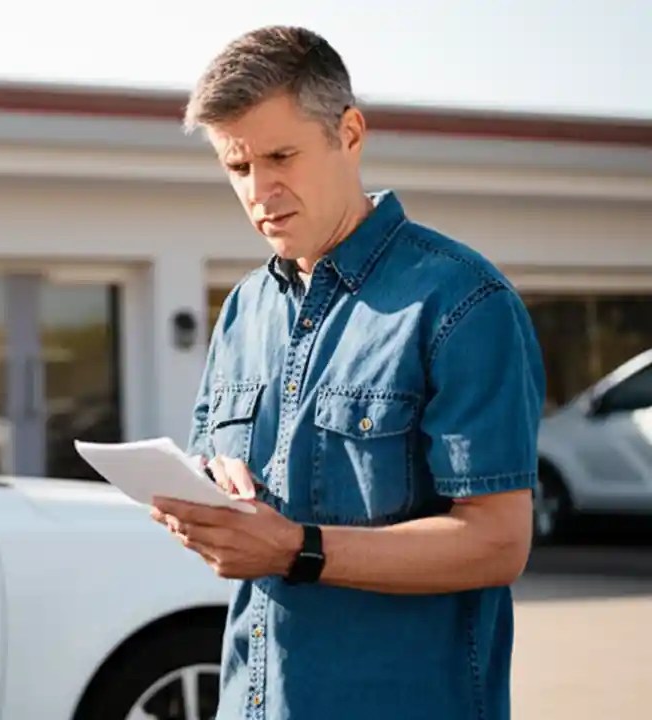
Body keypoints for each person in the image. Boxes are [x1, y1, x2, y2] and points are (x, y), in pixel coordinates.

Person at [149, 25, 545, 720]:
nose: (260, 190)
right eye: (239, 168)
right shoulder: (243, 309)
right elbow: (216, 468)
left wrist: (294, 548)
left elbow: (498, 543)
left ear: (350, 133)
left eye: (281, 156)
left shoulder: (462, 303)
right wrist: (207, 504)